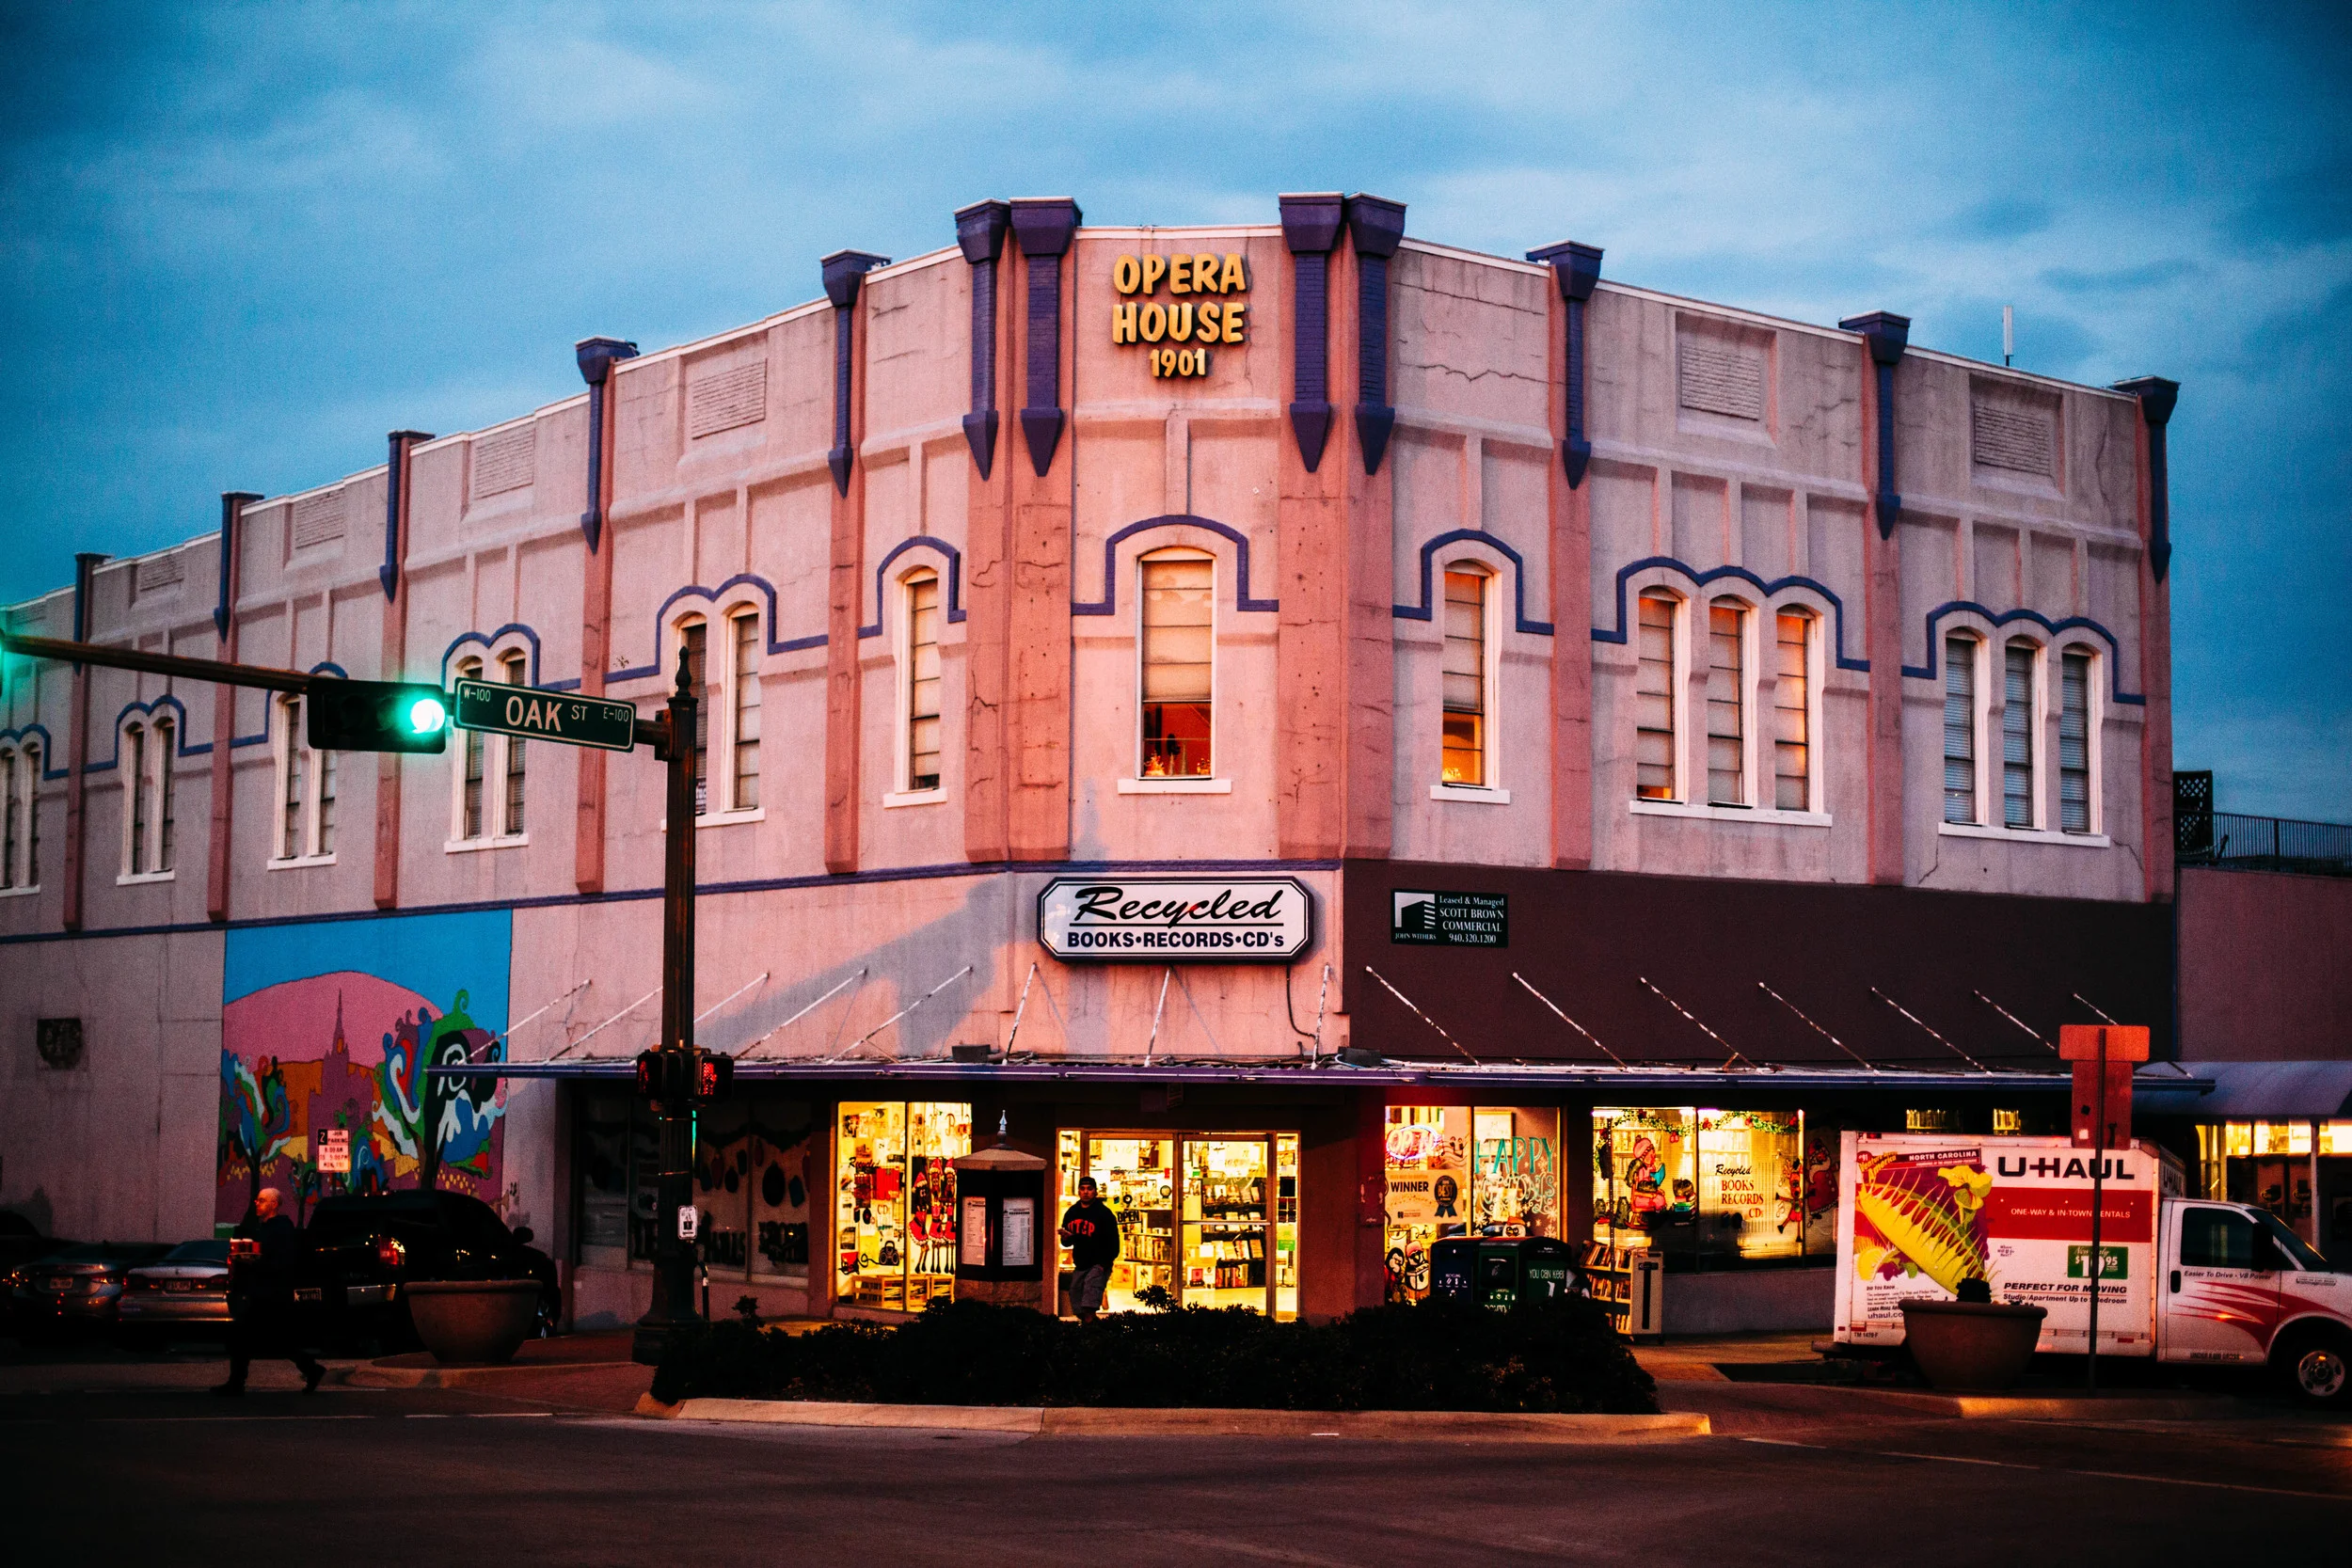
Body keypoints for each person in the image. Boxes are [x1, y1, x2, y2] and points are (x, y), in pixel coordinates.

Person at [215, 1186, 325, 1396]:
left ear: (274, 1204)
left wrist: (253, 1261)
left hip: (270, 1293)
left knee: (246, 1337)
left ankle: (236, 1383)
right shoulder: (266, 1229)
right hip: (265, 1292)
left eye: (262, 1200)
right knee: (273, 1340)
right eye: (257, 1200)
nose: (257, 1203)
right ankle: (312, 1369)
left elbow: (277, 1262)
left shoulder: (279, 1230)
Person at [1057, 1177, 1120, 1323]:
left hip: (1098, 1264)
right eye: (1083, 1188)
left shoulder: (1104, 1214)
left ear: (1095, 1192)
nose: (1086, 1192)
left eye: (1089, 1189)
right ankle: (1095, 1326)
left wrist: (1104, 1264)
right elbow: (1067, 1242)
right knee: (1076, 1300)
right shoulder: (1072, 1212)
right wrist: (1066, 1237)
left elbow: (1114, 1242)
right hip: (1081, 1264)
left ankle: (1089, 1337)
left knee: (1089, 1304)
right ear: (1078, 1191)